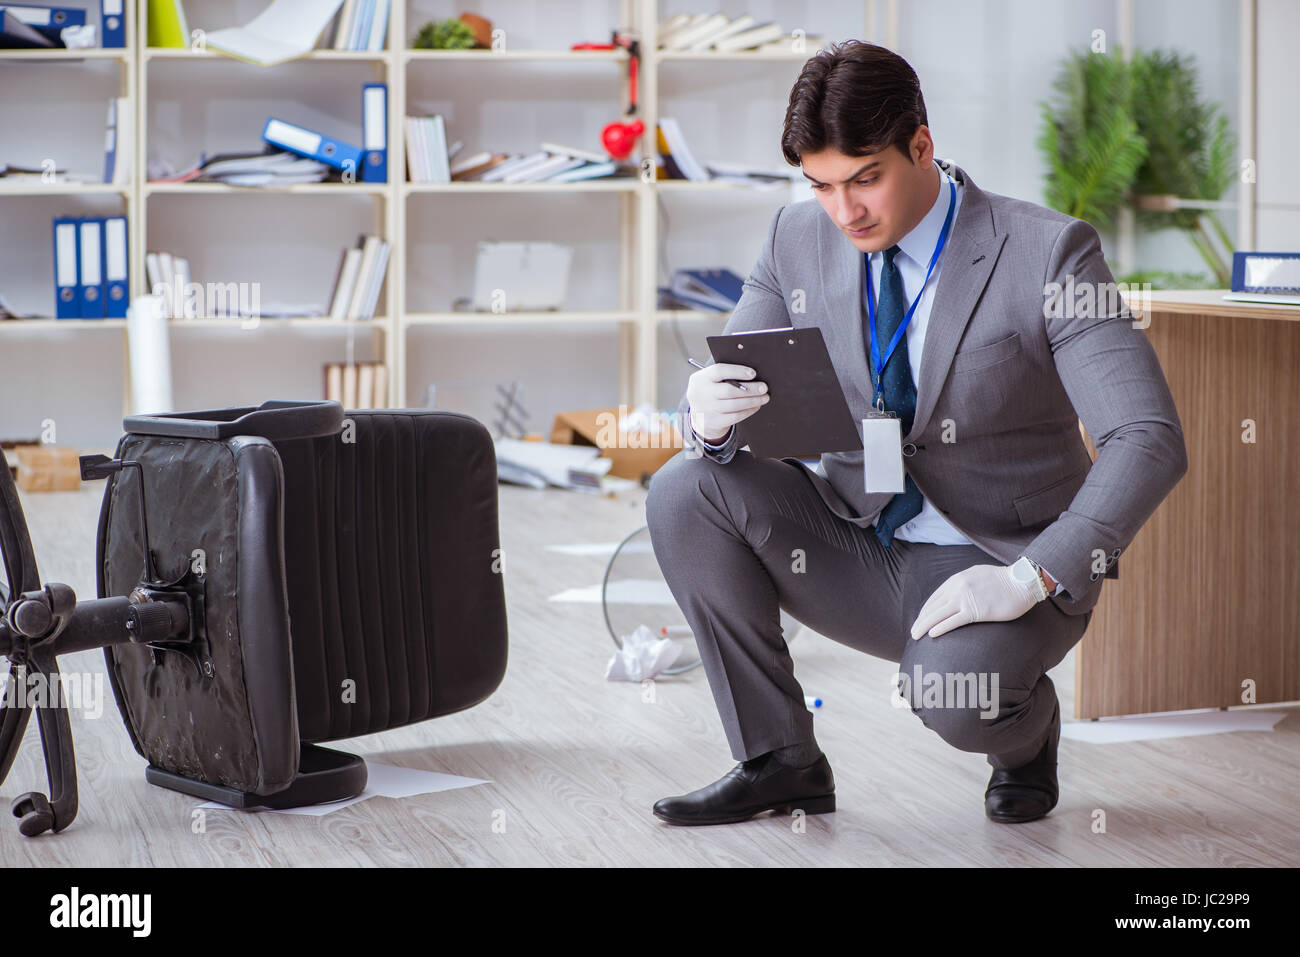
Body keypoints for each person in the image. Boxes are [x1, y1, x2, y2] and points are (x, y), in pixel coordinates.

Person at [645, 40, 1187, 826]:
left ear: (922, 146)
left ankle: (1027, 736)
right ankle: (780, 759)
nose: (845, 211)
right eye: (822, 185)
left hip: (1002, 561)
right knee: (684, 489)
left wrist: (1030, 577)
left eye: (866, 178)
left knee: (954, 698)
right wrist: (702, 416)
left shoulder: (1049, 253)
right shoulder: (794, 240)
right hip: (857, 542)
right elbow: (736, 398)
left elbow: (1148, 436)